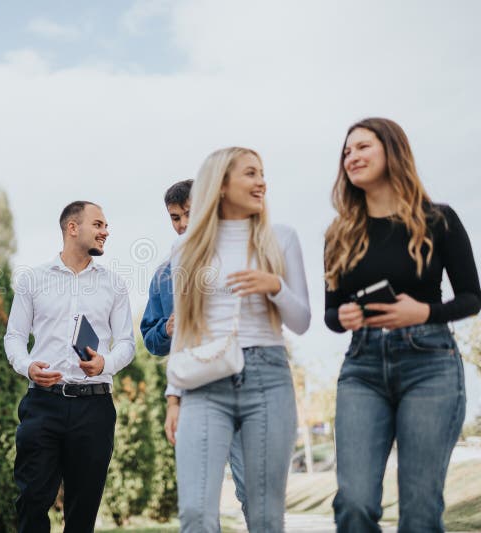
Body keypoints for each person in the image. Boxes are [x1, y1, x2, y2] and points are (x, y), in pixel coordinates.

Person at [324, 118, 480, 532]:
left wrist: (425, 312)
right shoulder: (339, 234)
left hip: (429, 363)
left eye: (362, 147)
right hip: (362, 369)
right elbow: (330, 314)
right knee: (354, 504)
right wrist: (342, 317)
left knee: (420, 510)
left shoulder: (438, 219)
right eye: (346, 152)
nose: (351, 157)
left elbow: (472, 297)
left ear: (392, 150)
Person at [171, 147, 310, 532]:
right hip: (204, 382)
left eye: (262, 173)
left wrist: (275, 286)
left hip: (267, 378)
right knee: (196, 513)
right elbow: (184, 329)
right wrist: (173, 397)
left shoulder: (281, 238)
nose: (261, 181)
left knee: (265, 515)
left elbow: (302, 322)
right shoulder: (186, 249)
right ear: (221, 184)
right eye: (250, 173)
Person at [4, 201, 136, 533]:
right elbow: (15, 337)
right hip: (42, 403)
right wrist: (28, 366)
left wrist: (105, 362)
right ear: (72, 228)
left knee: (83, 511)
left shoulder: (115, 285)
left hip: (95, 407)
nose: (106, 231)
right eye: (98, 224)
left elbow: (127, 344)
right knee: (32, 500)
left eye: (106, 226)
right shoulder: (33, 280)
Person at [139, 178, 247, 514]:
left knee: (252, 490)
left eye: (188, 213)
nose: (183, 223)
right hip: (193, 389)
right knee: (198, 499)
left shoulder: (236, 254)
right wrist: (167, 329)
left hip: (243, 381)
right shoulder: (163, 275)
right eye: (174, 217)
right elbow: (150, 338)